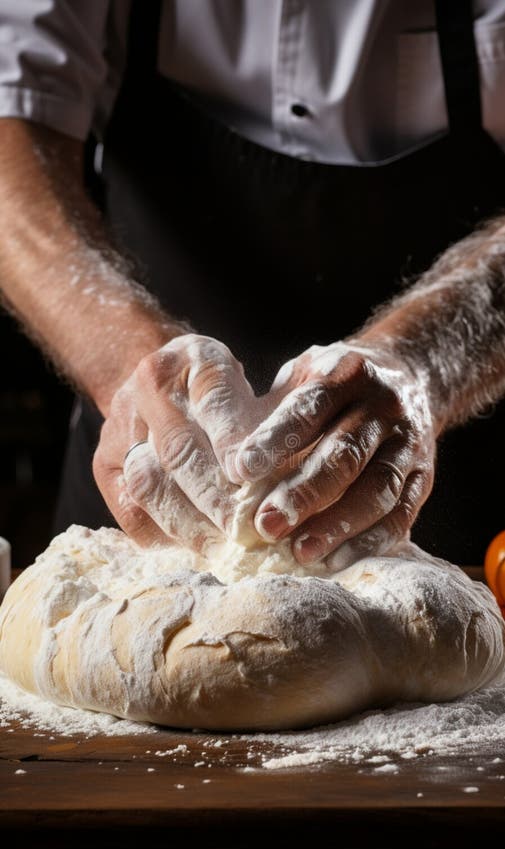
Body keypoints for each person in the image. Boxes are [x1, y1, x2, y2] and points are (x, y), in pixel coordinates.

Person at [0, 0, 504, 569]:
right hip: (144, 484)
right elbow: (10, 158)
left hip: (454, 500)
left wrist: (422, 362)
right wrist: (134, 366)